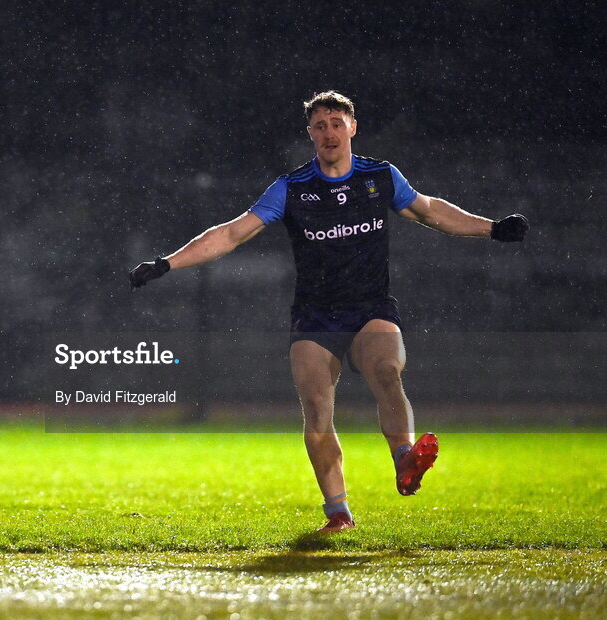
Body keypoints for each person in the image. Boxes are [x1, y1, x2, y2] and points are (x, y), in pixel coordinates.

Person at [129, 92, 528, 533]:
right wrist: (166, 263)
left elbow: (430, 211)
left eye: (336, 122)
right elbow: (231, 234)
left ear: (352, 127)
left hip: (370, 309)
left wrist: (491, 228)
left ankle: (405, 459)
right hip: (316, 318)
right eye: (320, 126)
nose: (329, 132)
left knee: (387, 371)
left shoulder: (380, 176)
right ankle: (339, 513)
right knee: (317, 406)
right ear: (310, 135)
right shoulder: (292, 188)